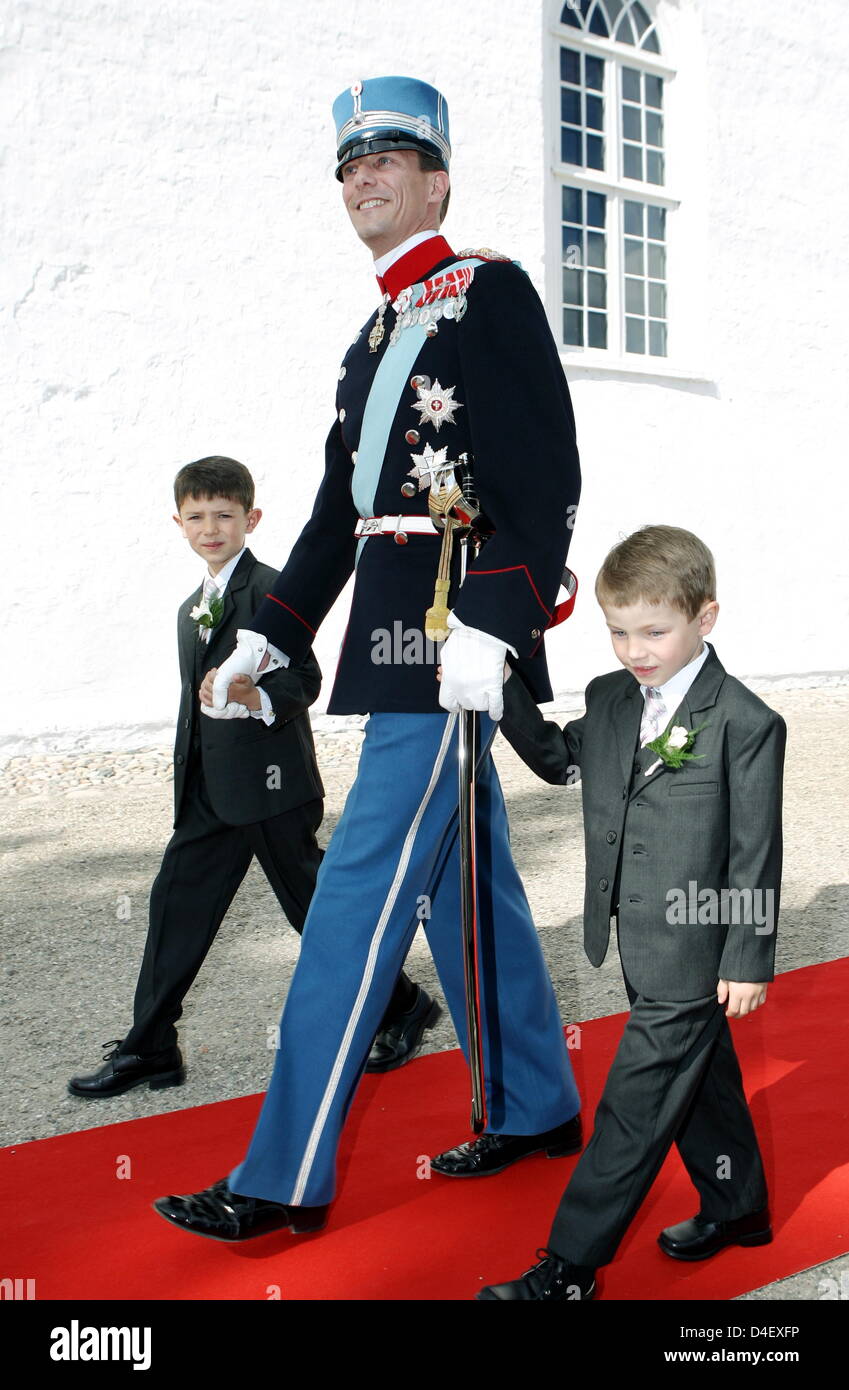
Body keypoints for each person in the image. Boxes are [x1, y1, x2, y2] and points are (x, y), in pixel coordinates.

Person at [152, 74, 582, 1244]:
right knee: (463, 884)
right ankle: (539, 1101)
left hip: (454, 641)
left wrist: (500, 623)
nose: (364, 177)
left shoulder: (488, 293)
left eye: (388, 157)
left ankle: (286, 1173)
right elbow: (341, 515)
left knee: (356, 894)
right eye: (349, 165)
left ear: (436, 178)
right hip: (396, 638)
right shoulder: (374, 334)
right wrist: (266, 632)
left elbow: (542, 471)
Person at [478, 524, 786, 1300]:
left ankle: (568, 1269)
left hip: (694, 944)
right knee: (702, 1079)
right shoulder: (611, 698)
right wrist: (498, 682)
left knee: (633, 1108)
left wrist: (746, 958)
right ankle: (737, 1206)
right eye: (617, 631)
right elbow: (557, 761)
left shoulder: (745, 723)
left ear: (703, 618)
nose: (633, 649)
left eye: (653, 631)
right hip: (631, 939)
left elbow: (754, 848)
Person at [69, 455, 423, 1098]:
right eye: (197, 516)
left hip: (271, 785)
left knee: (313, 907)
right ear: (177, 522)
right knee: (176, 905)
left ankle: (402, 1004)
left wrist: (255, 698)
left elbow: (304, 679)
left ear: (250, 518)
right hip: (209, 789)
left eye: (224, 515)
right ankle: (151, 1045)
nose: (210, 527)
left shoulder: (272, 590)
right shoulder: (189, 608)